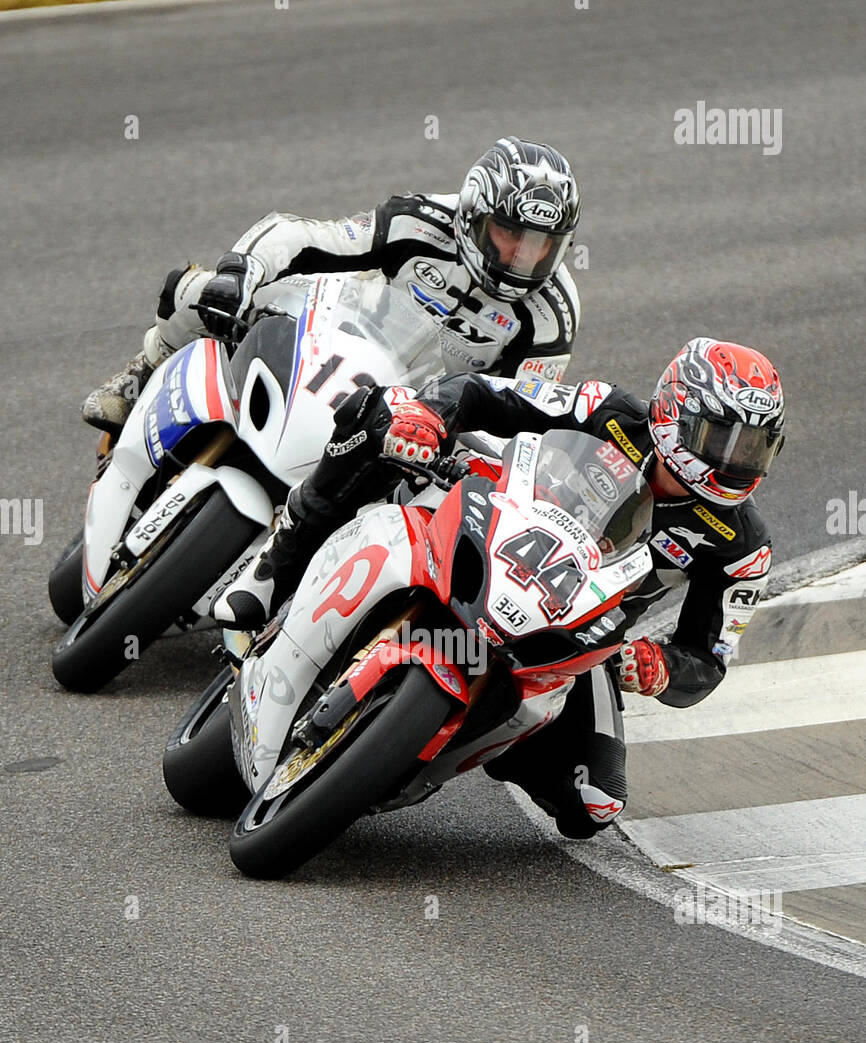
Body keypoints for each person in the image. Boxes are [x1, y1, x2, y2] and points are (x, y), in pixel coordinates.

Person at [214, 337, 784, 840]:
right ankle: (274, 570)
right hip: (496, 522)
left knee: (593, 804)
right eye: (722, 439)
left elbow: (707, 660)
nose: (735, 462)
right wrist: (432, 418)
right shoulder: (609, 412)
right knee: (378, 412)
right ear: (674, 413)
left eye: (753, 448)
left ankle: (442, 748)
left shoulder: (743, 544)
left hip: (580, 632)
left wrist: (660, 667)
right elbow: (481, 393)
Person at [81, 137, 581, 433]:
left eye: (542, 243)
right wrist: (240, 273)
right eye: (510, 233)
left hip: (409, 417)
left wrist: (441, 429)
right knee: (197, 292)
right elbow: (304, 236)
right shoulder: (420, 220)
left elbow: (519, 417)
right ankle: (144, 370)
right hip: (337, 341)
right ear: (474, 215)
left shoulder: (550, 318)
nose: (522, 255)